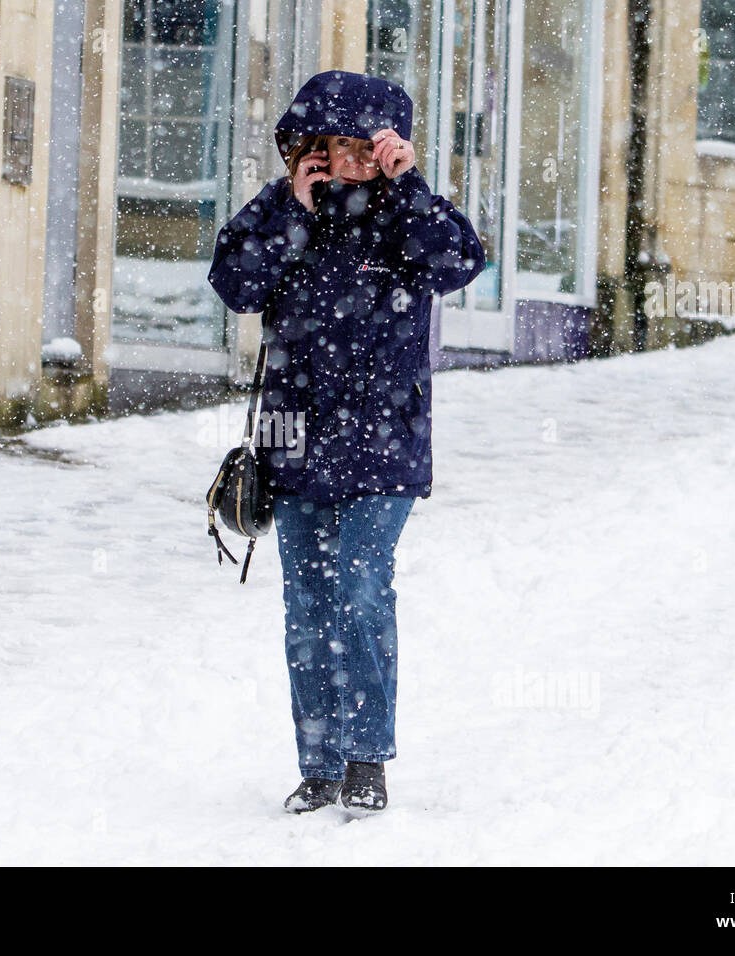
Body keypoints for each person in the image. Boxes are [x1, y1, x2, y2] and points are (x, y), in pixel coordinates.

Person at [207, 70, 486, 814]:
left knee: (361, 591)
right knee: (308, 605)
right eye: (336, 145)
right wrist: (288, 205)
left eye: (368, 147)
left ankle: (367, 759)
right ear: (311, 149)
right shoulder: (286, 215)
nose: (352, 160)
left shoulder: (408, 216)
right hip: (293, 440)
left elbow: (462, 262)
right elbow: (235, 283)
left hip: (386, 442)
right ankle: (319, 764)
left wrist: (411, 182)